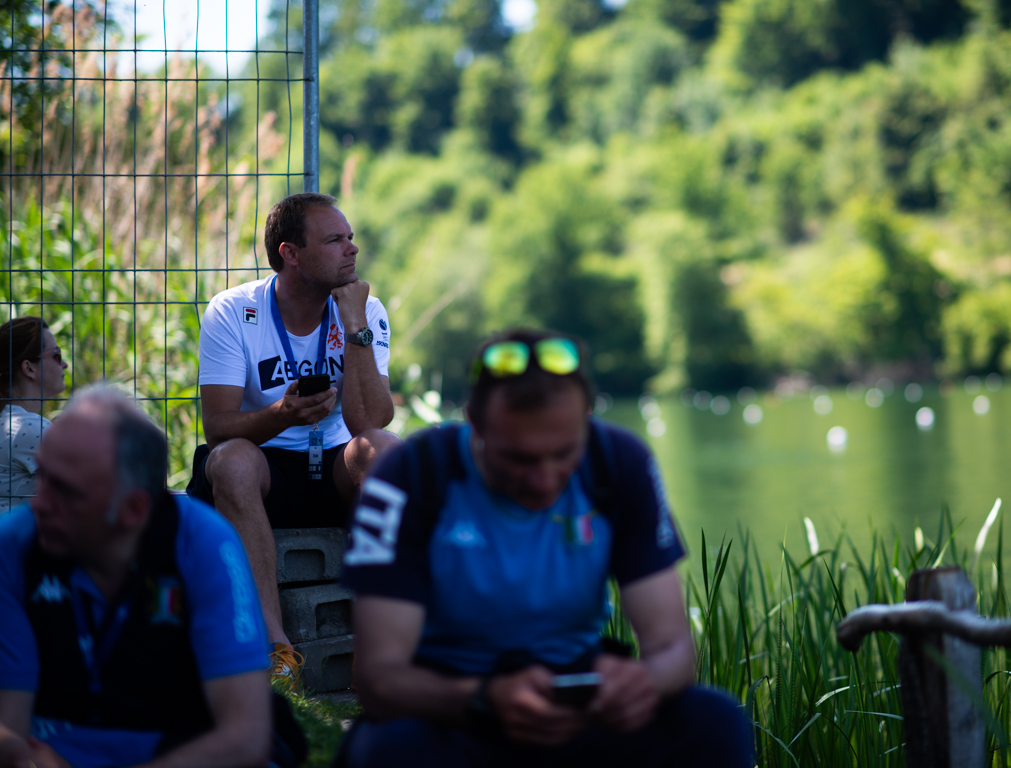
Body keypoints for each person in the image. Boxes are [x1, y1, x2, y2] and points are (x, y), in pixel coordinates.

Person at [338, 329, 755, 767]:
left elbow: (673, 649)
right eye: (519, 459)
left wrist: (643, 683)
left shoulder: (618, 460)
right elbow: (379, 679)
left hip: (580, 707)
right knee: (388, 749)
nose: (544, 477)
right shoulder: (410, 475)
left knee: (714, 720)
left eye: (564, 453)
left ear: (586, 420)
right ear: (473, 423)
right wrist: (485, 698)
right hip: (456, 711)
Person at [0, 386, 274, 768]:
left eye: (65, 490)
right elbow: (8, 728)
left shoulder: (204, 544)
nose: (40, 502)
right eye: (43, 475)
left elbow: (245, 738)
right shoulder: (13, 547)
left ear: (132, 510)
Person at [192, 192, 399, 684]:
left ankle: (383, 640)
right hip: (265, 468)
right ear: (291, 253)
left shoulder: (366, 309)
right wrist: (281, 414)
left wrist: (355, 324)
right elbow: (217, 426)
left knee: (387, 455)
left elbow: (371, 420)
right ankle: (273, 649)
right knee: (231, 460)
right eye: (334, 240)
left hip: (333, 466)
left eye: (350, 238)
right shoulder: (232, 310)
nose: (351, 249)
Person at [1, 316, 68, 513]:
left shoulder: (6, 419)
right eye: (56, 355)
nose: (64, 364)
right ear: (29, 368)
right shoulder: (29, 428)